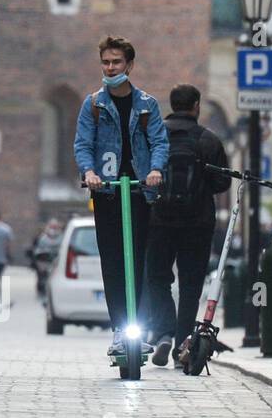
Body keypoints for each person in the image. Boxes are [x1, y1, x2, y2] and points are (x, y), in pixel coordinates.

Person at [73, 35, 168, 358]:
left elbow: (160, 142)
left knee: (138, 260)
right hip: (108, 192)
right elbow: (83, 143)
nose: (110, 68)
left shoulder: (147, 105)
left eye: (116, 62)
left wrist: (155, 170)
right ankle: (118, 328)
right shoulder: (94, 104)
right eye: (106, 62)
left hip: (140, 191)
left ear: (129, 65)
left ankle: (137, 327)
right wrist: (89, 172)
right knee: (113, 260)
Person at [144, 84, 229, 366]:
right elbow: (222, 183)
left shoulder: (154, 137)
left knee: (157, 279)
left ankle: (164, 331)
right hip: (198, 224)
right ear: (196, 106)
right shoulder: (209, 140)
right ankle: (183, 346)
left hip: (159, 221)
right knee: (191, 284)